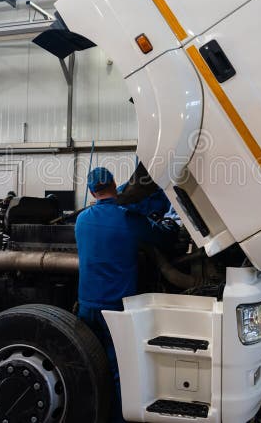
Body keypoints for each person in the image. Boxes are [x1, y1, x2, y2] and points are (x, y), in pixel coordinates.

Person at [76, 167, 177, 422]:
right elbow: (164, 239)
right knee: (121, 368)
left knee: (90, 362)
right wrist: (168, 224)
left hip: (86, 307)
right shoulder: (129, 219)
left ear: (91, 191)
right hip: (116, 310)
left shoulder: (82, 220)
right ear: (114, 184)